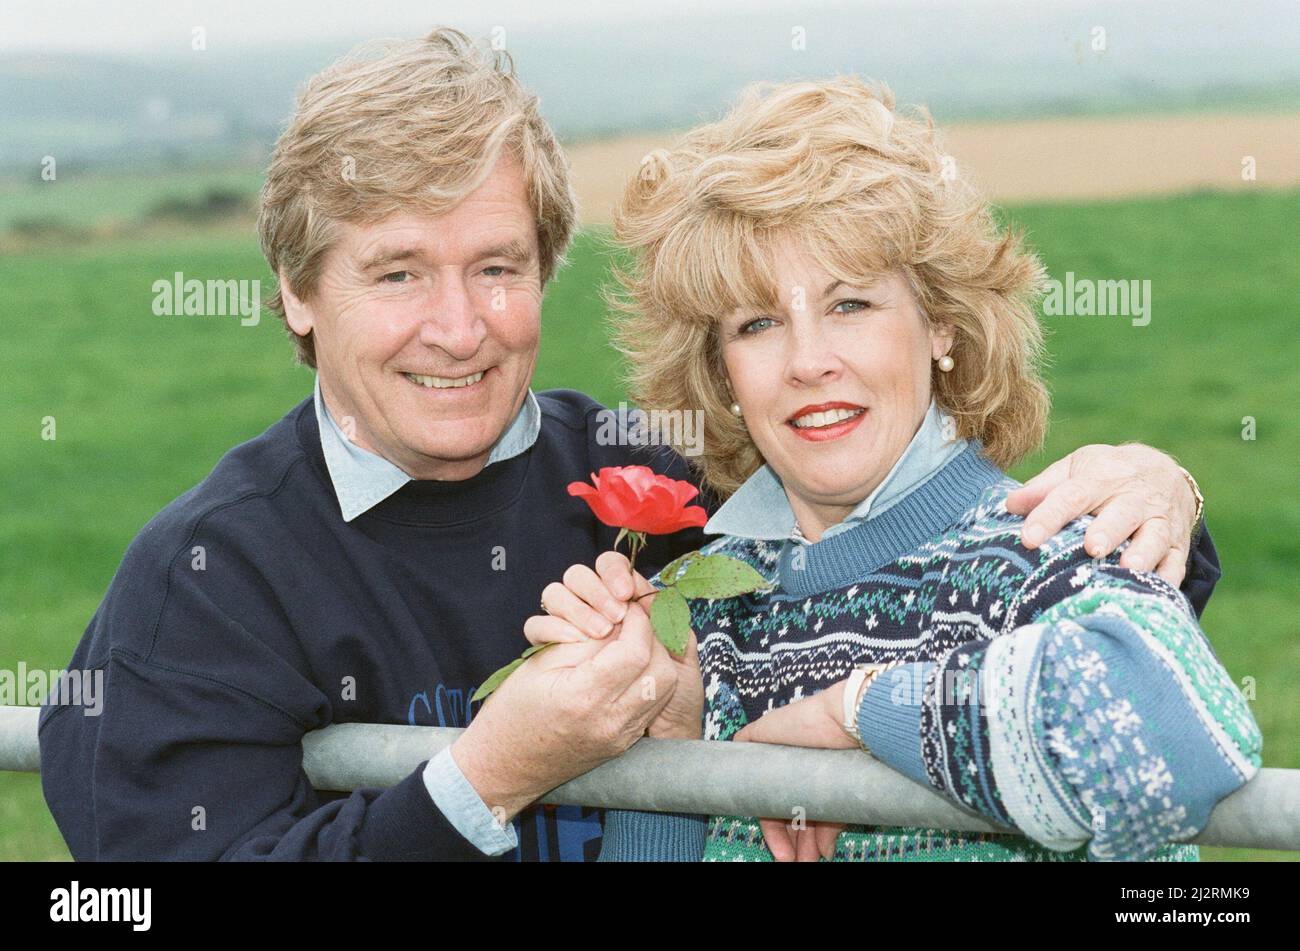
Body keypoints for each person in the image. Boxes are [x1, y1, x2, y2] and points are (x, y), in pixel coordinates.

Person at [40, 30, 1219, 862]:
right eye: (397, 273)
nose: (458, 328)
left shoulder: (658, 482)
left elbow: (933, 551)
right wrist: (484, 777)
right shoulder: (203, 582)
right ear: (297, 293)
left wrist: (1156, 499)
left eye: (496, 268)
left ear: (545, 268)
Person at [529, 77, 1260, 862]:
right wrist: (667, 745)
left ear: (941, 323)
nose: (809, 362)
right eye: (759, 322)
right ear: (723, 372)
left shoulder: (1055, 545)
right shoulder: (702, 609)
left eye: (852, 305)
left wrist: (857, 710)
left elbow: (1184, 737)